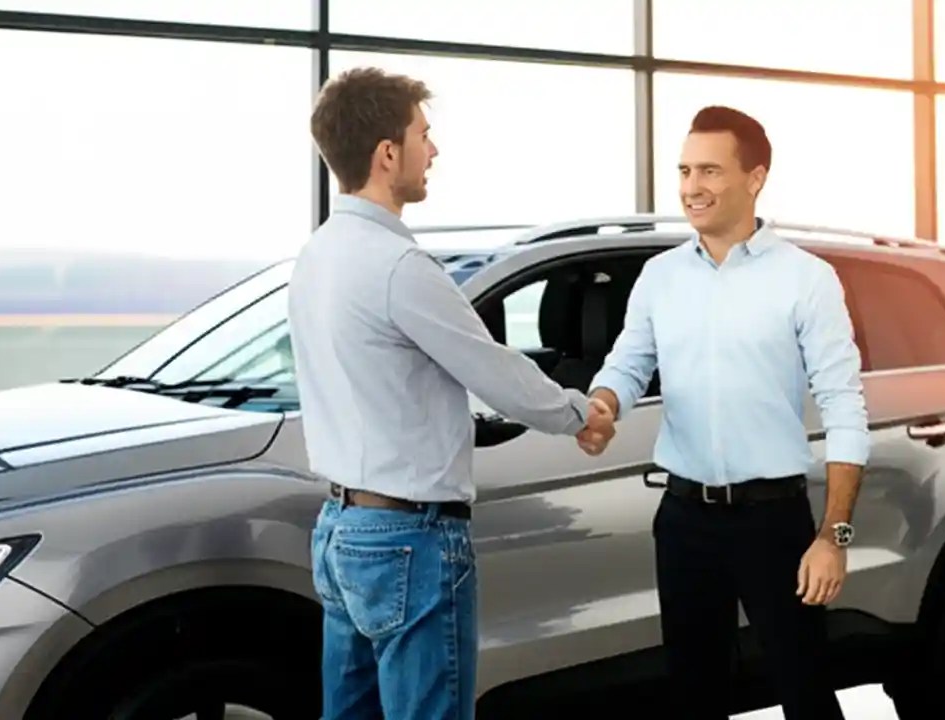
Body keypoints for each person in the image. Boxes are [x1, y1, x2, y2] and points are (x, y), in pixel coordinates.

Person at [287, 66, 615, 720]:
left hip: (340, 529)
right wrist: (582, 412)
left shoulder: (317, 254)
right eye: (422, 135)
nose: (432, 150)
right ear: (387, 154)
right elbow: (492, 368)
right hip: (408, 537)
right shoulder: (399, 267)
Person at [581, 105, 868, 720]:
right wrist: (604, 403)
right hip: (683, 521)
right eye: (685, 170)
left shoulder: (806, 280)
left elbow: (845, 407)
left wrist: (833, 537)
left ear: (755, 177)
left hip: (774, 524)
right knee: (693, 696)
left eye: (709, 170)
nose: (691, 187)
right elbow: (629, 363)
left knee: (806, 694)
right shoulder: (659, 277)